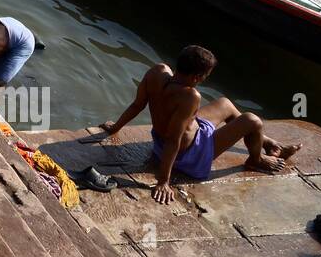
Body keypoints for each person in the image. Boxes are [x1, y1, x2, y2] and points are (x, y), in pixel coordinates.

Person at [98, 45, 301, 204]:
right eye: (205, 77)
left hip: (167, 140)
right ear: (197, 77)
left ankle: (266, 143)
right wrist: (163, 181)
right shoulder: (190, 96)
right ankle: (255, 159)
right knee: (252, 120)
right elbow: (173, 140)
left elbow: (137, 105)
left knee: (226, 104)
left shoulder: (157, 72)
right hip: (190, 156)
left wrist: (115, 127)